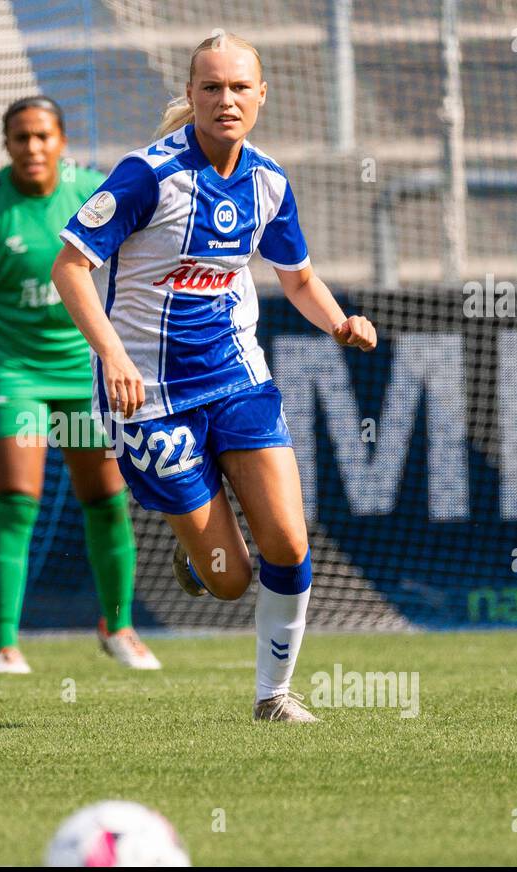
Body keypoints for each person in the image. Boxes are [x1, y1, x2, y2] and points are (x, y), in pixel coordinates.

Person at [51, 32, 377, 722]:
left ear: (261, 95)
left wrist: (341, 322)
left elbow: (299, 279)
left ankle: (273, 696)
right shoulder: (148, 175)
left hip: (238, 379)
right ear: (192, 96)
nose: (226, 99)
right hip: (152, 400)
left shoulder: (268, 182)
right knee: (229, 582)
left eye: (238, 87)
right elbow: (70, 267)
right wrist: (112, 356)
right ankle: (200, 558)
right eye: (211, 87)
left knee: (289, 544)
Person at [0, 95, 159, 674]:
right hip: (11, 375)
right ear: (7, 145)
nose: (33, 148)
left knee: (107, 500)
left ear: (60, 140)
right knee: (16, 505)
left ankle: (119, 626)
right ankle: (6, 643)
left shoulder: (96, 192)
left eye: (42, 136)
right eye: (21, 138)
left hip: (87, 370)